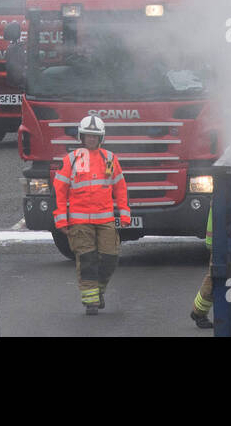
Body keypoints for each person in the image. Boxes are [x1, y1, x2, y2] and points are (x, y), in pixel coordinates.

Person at [53, 115, 130, 315]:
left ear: (101, 138)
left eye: (95, 137)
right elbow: (59, 191)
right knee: (86, 259)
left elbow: (119, 187)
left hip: (104, 219)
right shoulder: (71, 160)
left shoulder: (109, 159)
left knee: (110, 257)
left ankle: (98, 291)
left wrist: (124, 213)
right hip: (79, 221)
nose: (91, 140)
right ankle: (91, 303)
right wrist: (61, 219)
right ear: (81, 136)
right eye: (88, 136)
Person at [190, 207, 214, 329]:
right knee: (215, 279)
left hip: (226, 240)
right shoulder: (225, 191)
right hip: (223, 242)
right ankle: (198, 313)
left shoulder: (224, 189)